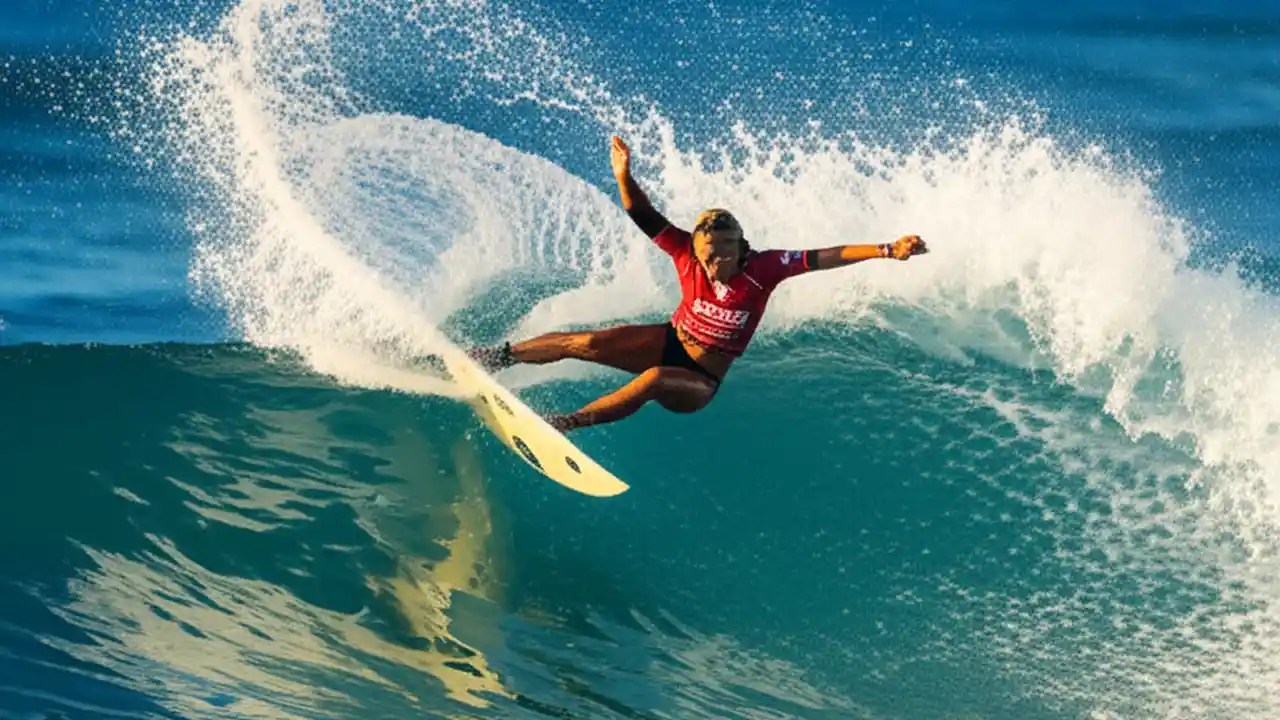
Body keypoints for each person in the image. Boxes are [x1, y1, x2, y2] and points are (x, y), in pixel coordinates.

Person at [470, 136, 928, 431]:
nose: (714, 264)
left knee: (652, 380)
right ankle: (498, 356)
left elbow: (825, 257)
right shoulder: (686, 250)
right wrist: (624, 178)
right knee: (584, 339)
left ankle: (568, 423)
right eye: (708, 256)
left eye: (724, 253)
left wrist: (888, 249)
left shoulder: (764, 268)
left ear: (740, 246)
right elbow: (643, 216)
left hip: (699, 379)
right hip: (670, 339)